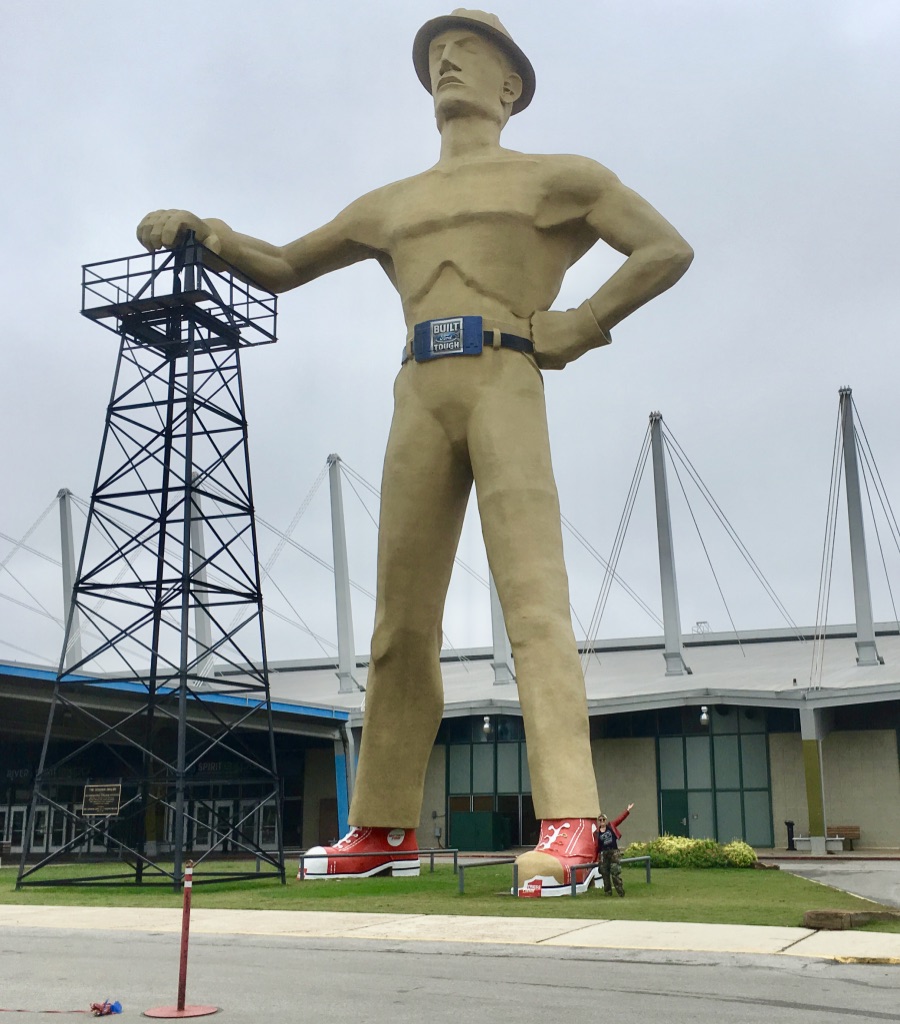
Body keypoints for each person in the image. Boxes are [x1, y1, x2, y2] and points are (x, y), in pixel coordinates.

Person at [136, 9, 692, 897]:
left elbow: (665, 248)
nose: (446, 64)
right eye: (437, 55)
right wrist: (209, 231)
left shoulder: (560, 177)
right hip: (418, 391)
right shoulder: (390, 203)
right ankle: (383, 825)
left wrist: (583, 323)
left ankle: (572, 821)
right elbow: (284, 264)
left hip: (506, 377)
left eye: (467, 51)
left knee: (535, 605)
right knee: (399, 623)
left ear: (511, 84)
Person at [596, 803, 634, 897]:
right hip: (604, 854)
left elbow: (620, 819)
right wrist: (596, 858)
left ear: (606, 820)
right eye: (600, 820)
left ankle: (620, 892)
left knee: (615, 872)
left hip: (613, 852)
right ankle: (607, 892)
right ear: (598, 822)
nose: (602, 821)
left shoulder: (611, 826)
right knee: (605, 873)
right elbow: (596, 847)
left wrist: (627, 810)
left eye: (603, 820)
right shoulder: (597, 833)